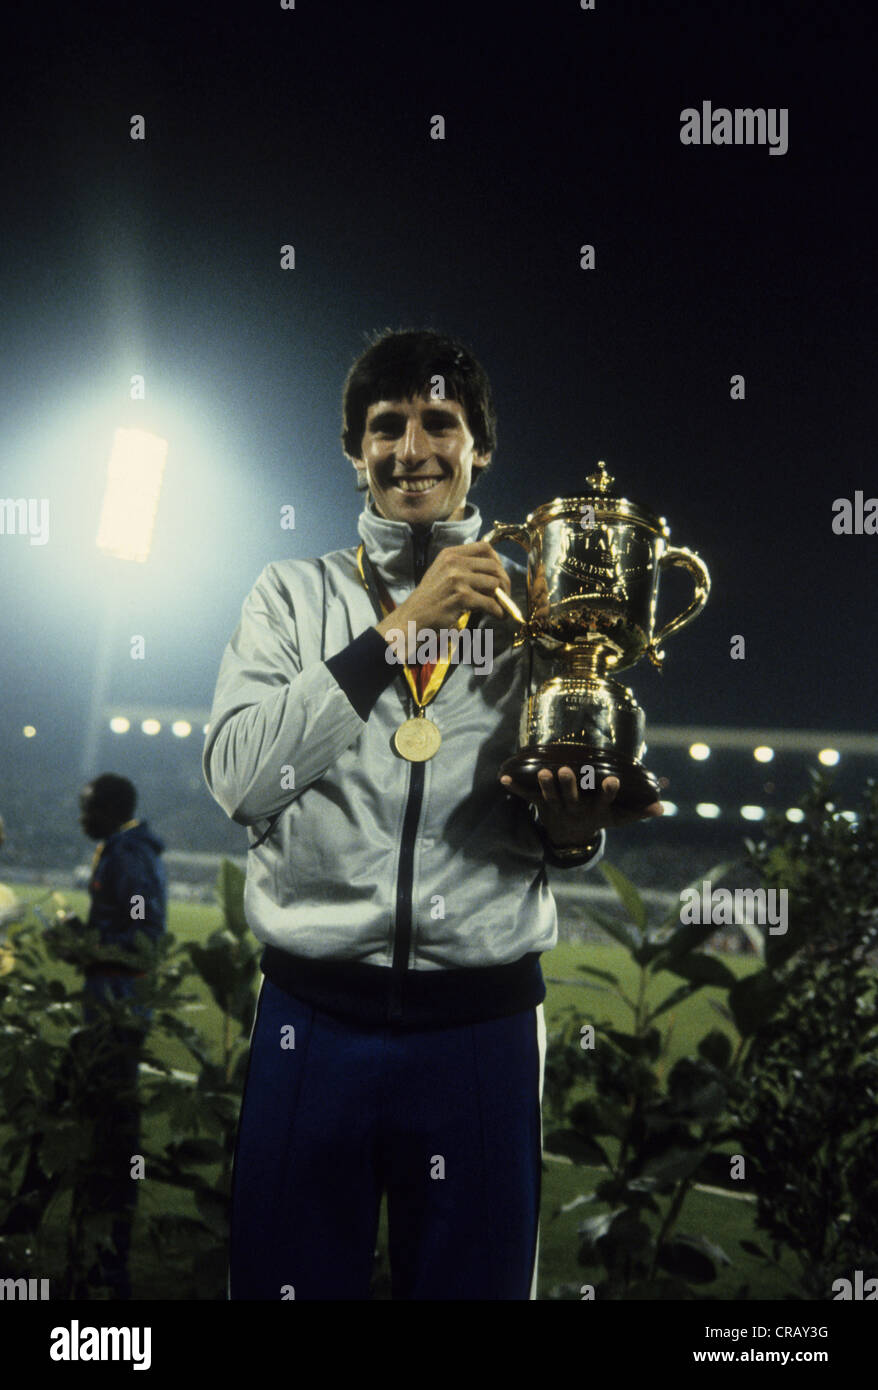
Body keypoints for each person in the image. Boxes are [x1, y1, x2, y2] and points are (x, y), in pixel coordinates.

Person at [203, 328, 662, 1301]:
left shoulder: (537, 610)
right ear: (351, 451)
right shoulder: (289, 596)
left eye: (439, 422)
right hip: (310, 1018)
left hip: (480, 1028)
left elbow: (558, 828)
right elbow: (243, 778)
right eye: (385, 426)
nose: (411, 447)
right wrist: (400, 629)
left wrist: (576, 826)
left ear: (479, 447)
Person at [4, 774, 166, 1298]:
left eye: (85, 806)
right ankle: (74, 1253)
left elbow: (143, 940)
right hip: (105, 1017)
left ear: (111, 808)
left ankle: (44, 1253)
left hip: (113, 1022)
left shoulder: (127, 855)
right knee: (83, 1129)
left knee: (89, 1132)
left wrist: (80, 946)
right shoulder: (119, 849)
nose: (79, 816)